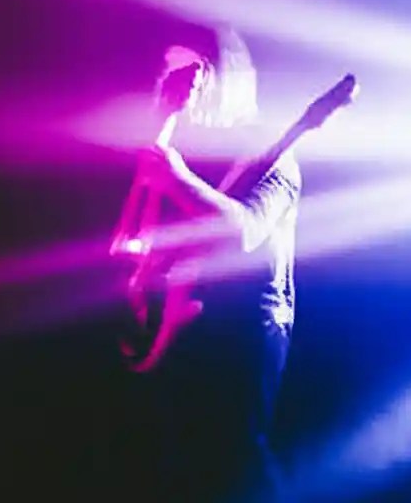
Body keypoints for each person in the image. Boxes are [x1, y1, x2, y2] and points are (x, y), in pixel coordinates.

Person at [128, 29, 301, 503]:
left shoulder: (270, 147)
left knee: (238, 460)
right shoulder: (198, 148)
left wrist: (175, 177)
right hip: (195, 320)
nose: (181, 89)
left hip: (250, 326)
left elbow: (244, 231)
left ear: (221, 76)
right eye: (171, 76)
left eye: (189, 75)